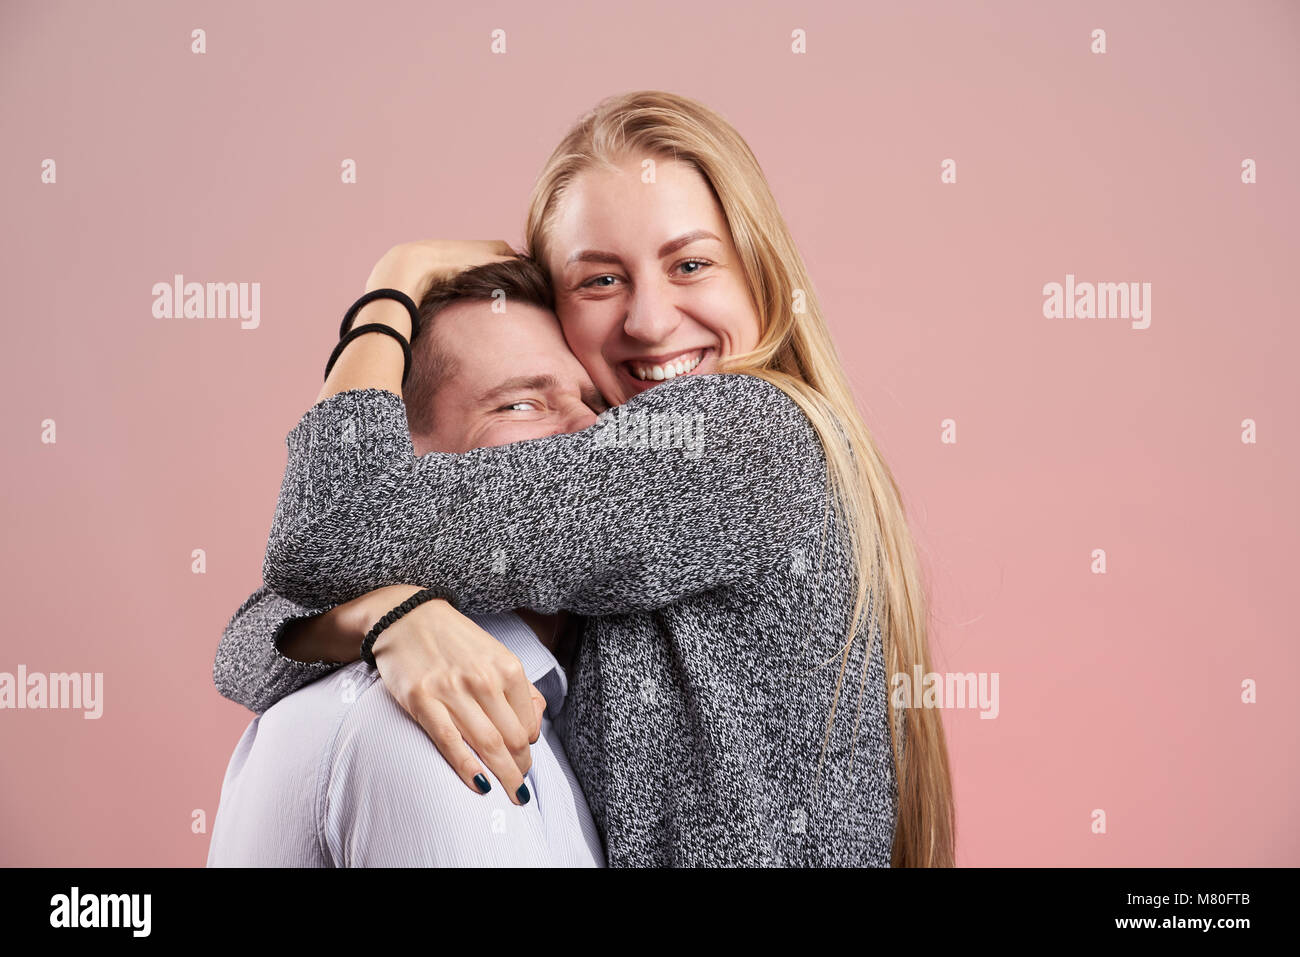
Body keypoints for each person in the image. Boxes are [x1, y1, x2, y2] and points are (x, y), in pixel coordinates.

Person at [215, 90, 955, 867]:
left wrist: (388, 293)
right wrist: (389, 618)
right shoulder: (616, 475)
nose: (649, 320)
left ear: (761, 276)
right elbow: (250, 637)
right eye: (601, 281)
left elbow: (328, 527)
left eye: (691, 264)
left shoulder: (745, 437)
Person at [208, 259, 604, 866]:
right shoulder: (426, 725)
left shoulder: (544, 689)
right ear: (392, 463)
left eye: (596, 401)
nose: (593, 432)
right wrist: (397, 281)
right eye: (521, 404)